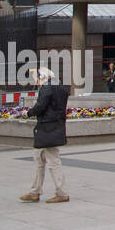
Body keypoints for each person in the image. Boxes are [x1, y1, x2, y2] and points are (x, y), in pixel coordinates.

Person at [20, 67, 69, 204]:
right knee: (38, 158)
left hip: (47, 129)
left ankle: (62, 192)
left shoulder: (47, 88)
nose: (37, 82)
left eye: (37, 79)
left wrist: (28, 113)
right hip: (53, 127)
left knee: (53, 161)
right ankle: (34, 191)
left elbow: (41, 106)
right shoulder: (61, 87)